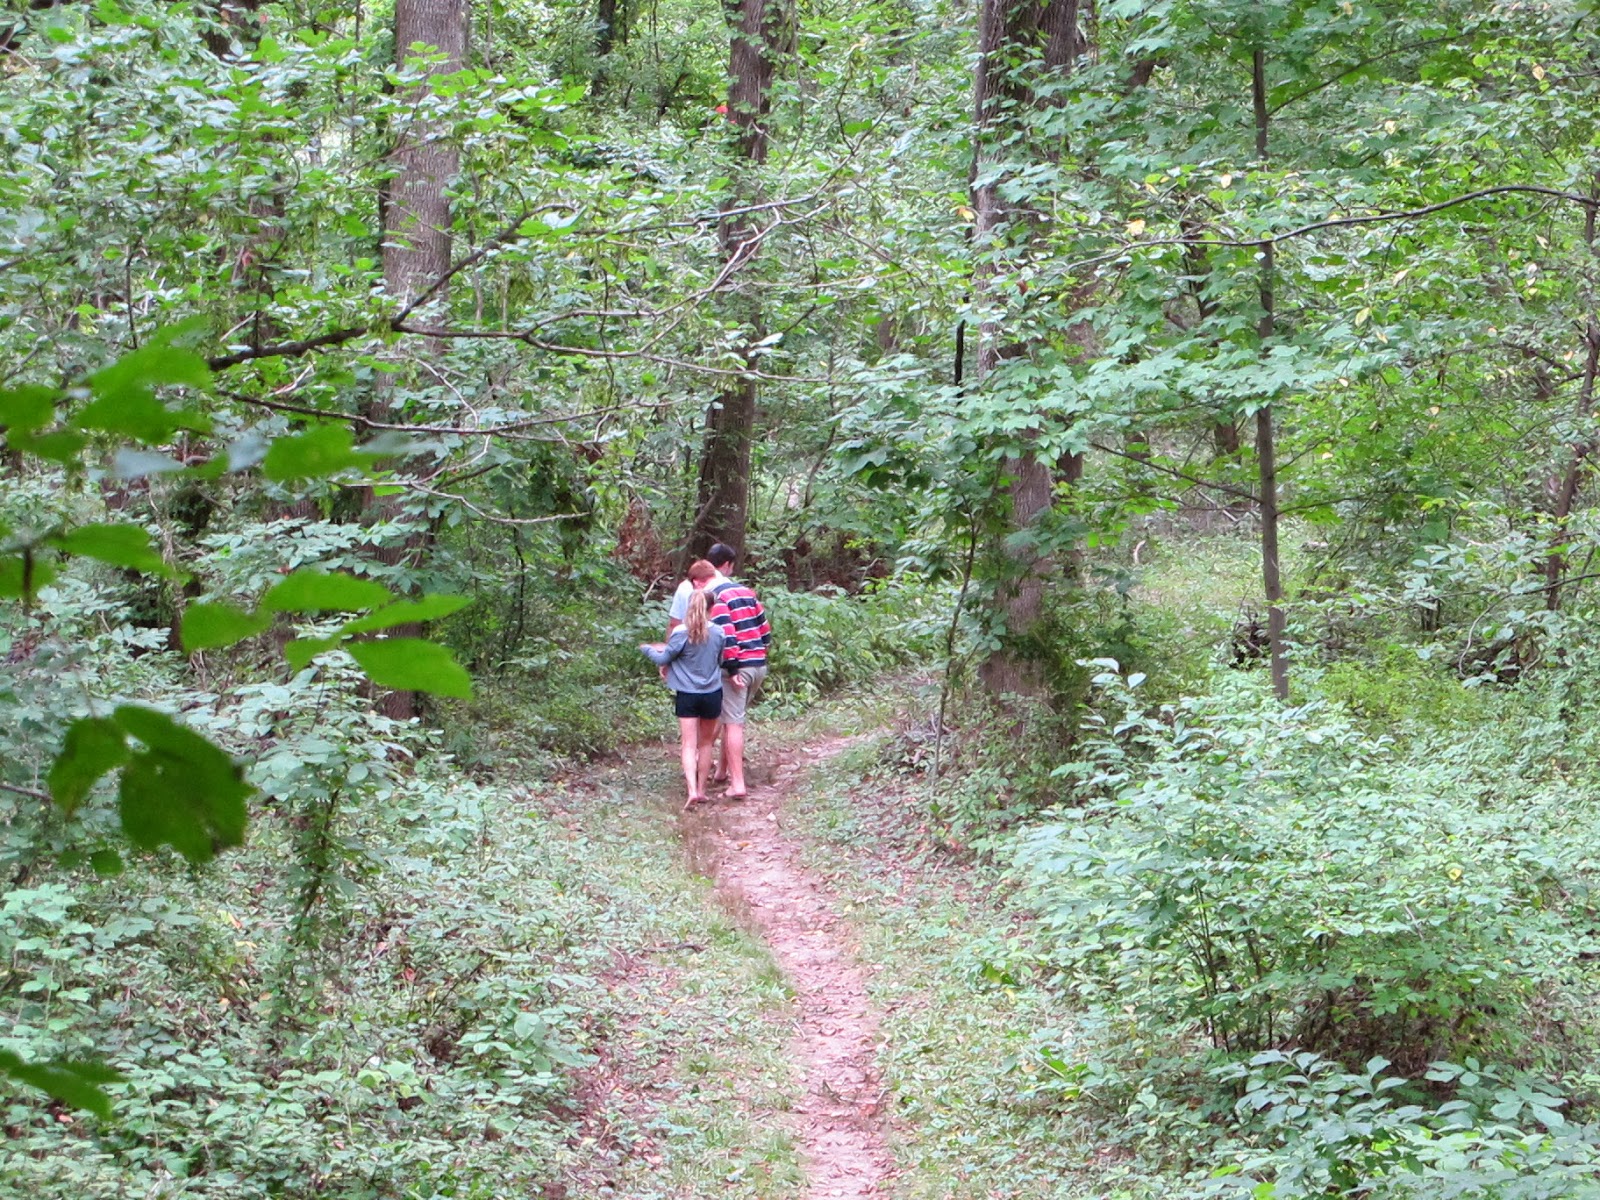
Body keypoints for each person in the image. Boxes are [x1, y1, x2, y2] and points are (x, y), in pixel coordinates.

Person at [640, 560, 742, 809]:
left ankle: (692, 789)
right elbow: (721, 660)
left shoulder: (680, 634)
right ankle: (704, 788)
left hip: (686, 694)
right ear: (710, 608)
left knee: (688, 744)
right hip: (712, 694)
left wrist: (648, 649)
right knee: (706, 743)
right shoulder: (719, 633)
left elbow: (665, 657)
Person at [704, 544, 771, 801]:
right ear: (728, 566)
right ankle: (722, 771)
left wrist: (731, 668)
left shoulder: (717, 596)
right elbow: (765, 633)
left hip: (737, 668)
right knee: (732, 718)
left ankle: (738, 784)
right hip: (758, 665)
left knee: (733, 724)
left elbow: (726, 635)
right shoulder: (747, 592)